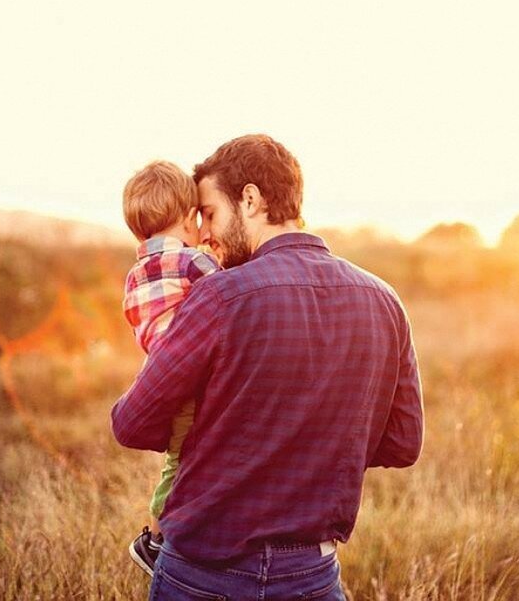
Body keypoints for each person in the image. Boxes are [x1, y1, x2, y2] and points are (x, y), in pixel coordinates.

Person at [112, 134, 423, 600]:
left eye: (210, 213)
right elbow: (402, 442)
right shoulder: (384, 300)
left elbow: (131, 424)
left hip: (204, 575)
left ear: (251, 199)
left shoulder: (219, 295)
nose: (206, 234)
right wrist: (313, 444)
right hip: (312, 578)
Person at [120, 160, 220, 575]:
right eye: (200, 217)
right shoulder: (190, 263)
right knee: (185, 462)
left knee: (177, 458)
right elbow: (230, 293)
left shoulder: (135, 274)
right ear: (185, 219)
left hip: (161, 377)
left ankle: (165, 537)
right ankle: (158, 543)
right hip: (191, 381)